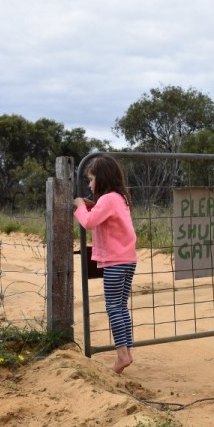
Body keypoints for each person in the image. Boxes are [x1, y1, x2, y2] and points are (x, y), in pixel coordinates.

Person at [73, 155, 137, 374]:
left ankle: (121, 355)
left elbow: (89, 222)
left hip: (115, 262)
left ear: (102, 178)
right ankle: (127, 352)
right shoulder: (120, 197)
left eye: (91, 180)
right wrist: (91, 205)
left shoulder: (108, 199)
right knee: (121, 307)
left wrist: (80, 205)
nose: (90, 185)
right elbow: (102, 217)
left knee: (112, 307)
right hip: (127, 260)